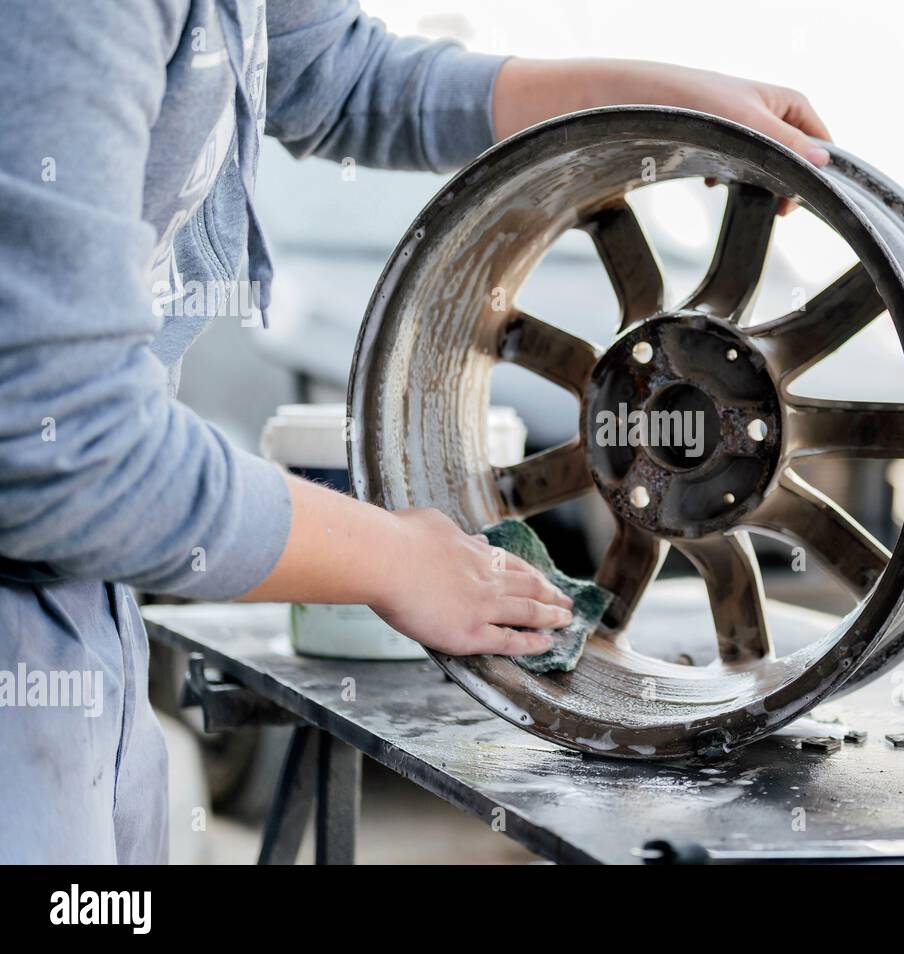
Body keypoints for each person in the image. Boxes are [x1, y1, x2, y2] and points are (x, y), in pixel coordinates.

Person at [0, 0, 832, 863]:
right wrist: (395, 559)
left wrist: (653, 97)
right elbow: (64, 451)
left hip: (85, 613)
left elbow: (341, 75)